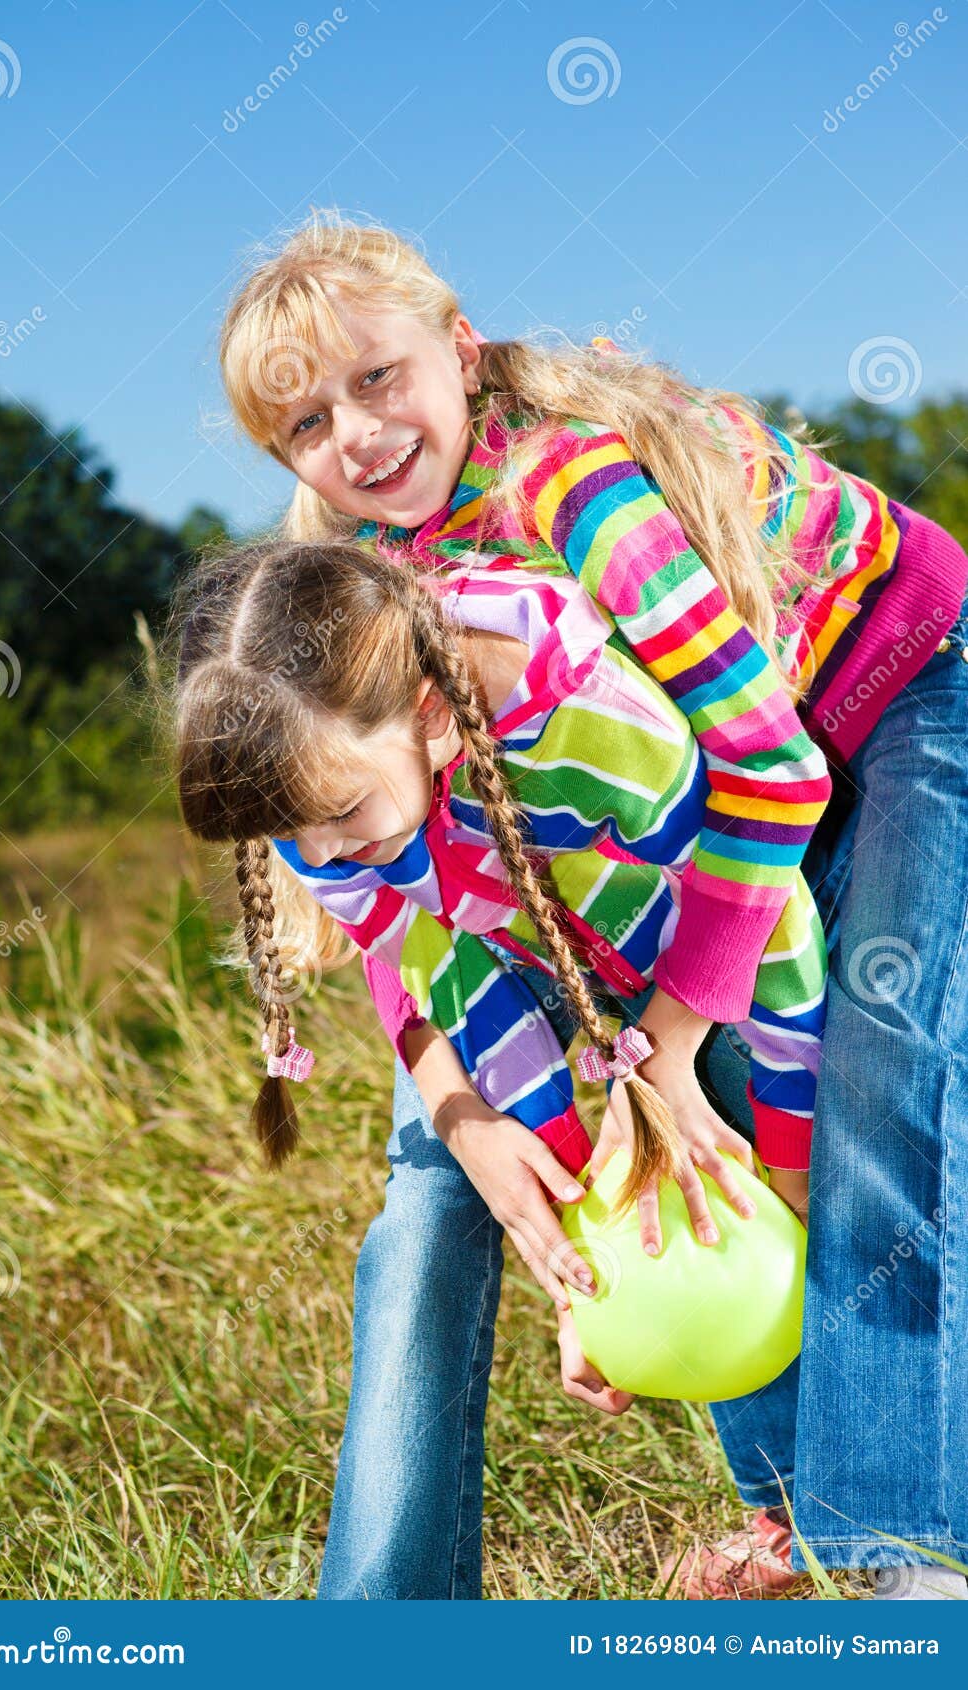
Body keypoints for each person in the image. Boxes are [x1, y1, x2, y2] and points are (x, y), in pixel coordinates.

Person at [214, 212, 968, 1597]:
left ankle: (903, 1555)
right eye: (309, 423)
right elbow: (403, 910)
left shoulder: (574, 489)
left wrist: (672, 1026)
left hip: (898, 682)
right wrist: (471, 1117)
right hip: (732, 770)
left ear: (457, 345)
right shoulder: (372, 597)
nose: (360, 434)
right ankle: (795, 1522)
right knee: (663, 1108)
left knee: (881, 1074)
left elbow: (767, 759)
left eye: (378, 377)